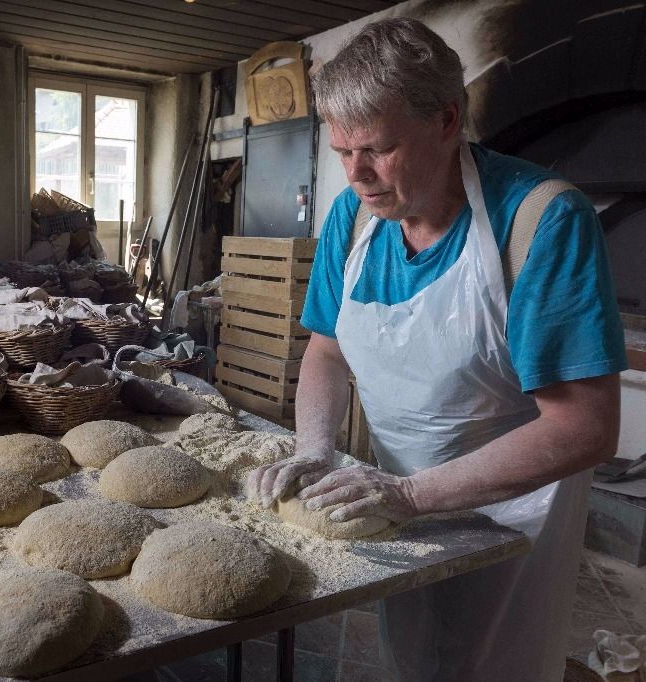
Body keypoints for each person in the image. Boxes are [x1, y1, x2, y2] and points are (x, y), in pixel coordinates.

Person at [245, 17, 627, 682]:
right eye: (341, 152)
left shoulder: (538, 220)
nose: (357, 174)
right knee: (412, 658)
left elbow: (585, 428)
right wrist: (314, 447)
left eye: (378, 148)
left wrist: (413, 494)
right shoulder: (356, 220)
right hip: (393, 496)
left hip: (512, 516)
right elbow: (328, 351)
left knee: (492, 665)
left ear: (448, 120)